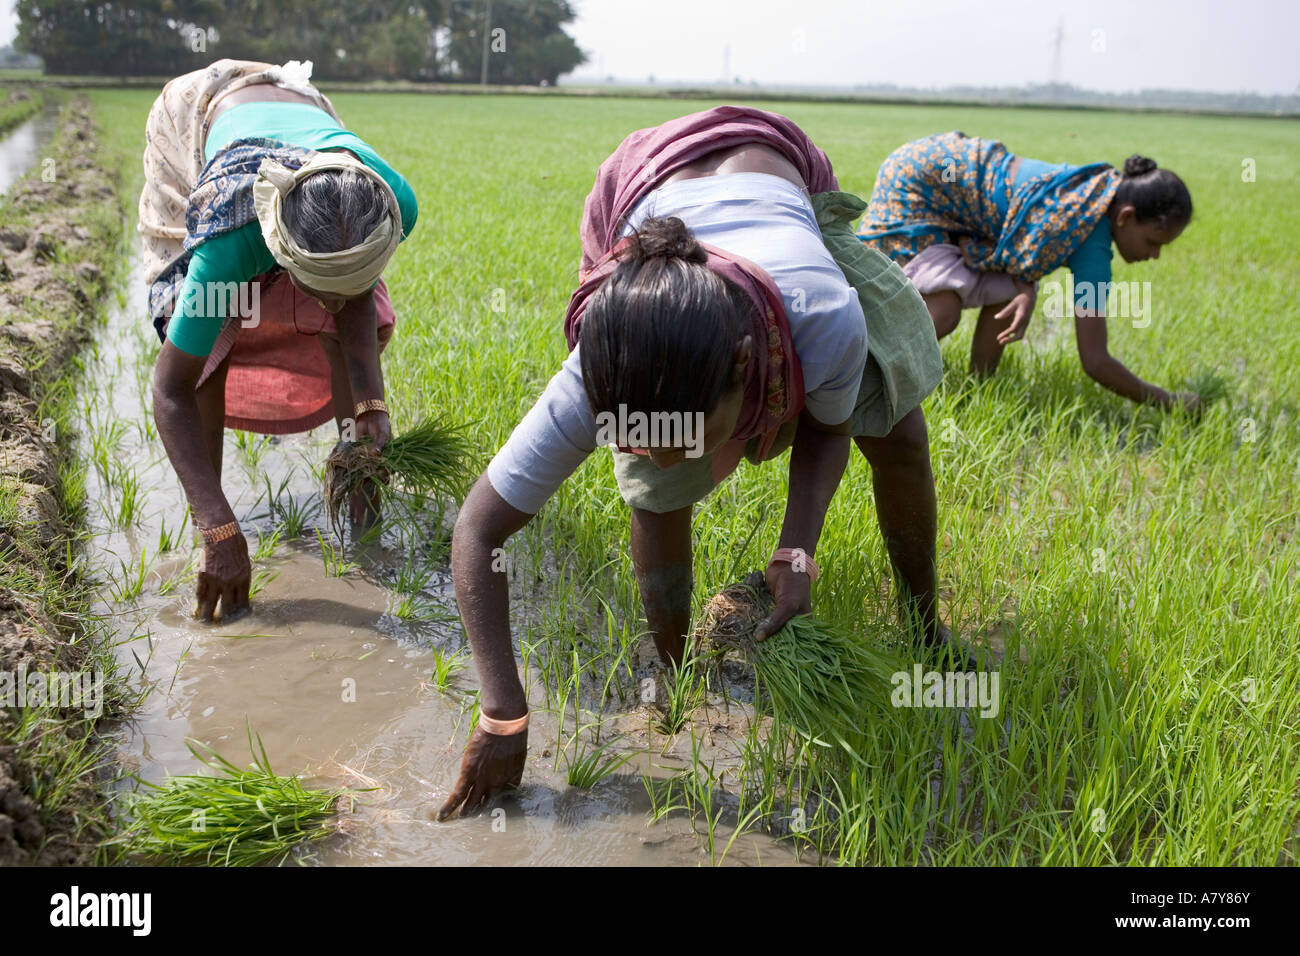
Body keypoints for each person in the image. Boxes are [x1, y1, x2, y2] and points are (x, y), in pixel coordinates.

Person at [439, 106, 949, 819]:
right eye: (638, 436)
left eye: (681, 436)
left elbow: (829, 427)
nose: (663, 453)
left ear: (750, 368)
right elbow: (478, 528)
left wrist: (796, 552)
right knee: (656, 491)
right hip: (649, 188)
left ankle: (926, 626)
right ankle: (671, 668)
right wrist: (502, 714)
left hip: (774, 181)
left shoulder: (824, 314)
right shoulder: (603, 367)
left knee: (899, 435)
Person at [139, 59, 418, 622]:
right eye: (320, 290)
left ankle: (363, 522)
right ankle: (214, 534)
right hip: (195, 114)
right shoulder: (230, 240)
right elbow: (171, 388)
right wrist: (216, 525)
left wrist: (371, 405)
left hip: (302, 113)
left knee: (345, 327)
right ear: (284, 255)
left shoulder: (390, 202)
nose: (335, 307)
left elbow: (356, 296)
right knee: (207, 351)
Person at [858, 131, 1197, 409]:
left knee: (1010, 291)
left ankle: (978, 389)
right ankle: (864, 377)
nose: (1154, 255)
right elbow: (1095, 361)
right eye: (1154, 242)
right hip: (919, 184)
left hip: (939, 169)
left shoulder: (1092, 188)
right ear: (1125, 217)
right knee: (944, 310)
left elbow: (1022, 245)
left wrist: (1025, 288)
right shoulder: (1093, 248)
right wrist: (1168, 401)